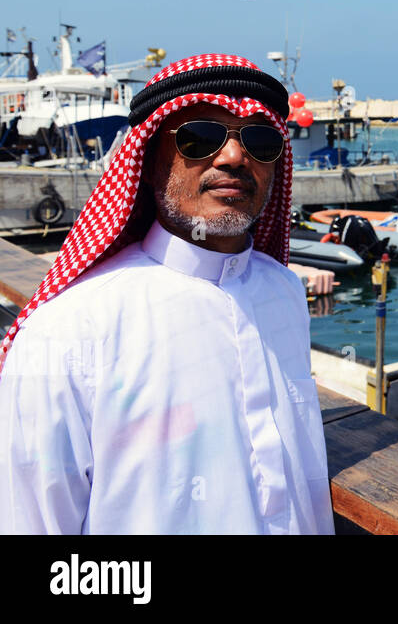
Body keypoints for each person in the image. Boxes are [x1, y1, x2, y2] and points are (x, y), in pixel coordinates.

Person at [0, 54, 334, 534]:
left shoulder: (282, 290)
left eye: (259, 141)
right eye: (200, 137)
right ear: (149, 163)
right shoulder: (68, 331)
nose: (235, 157)